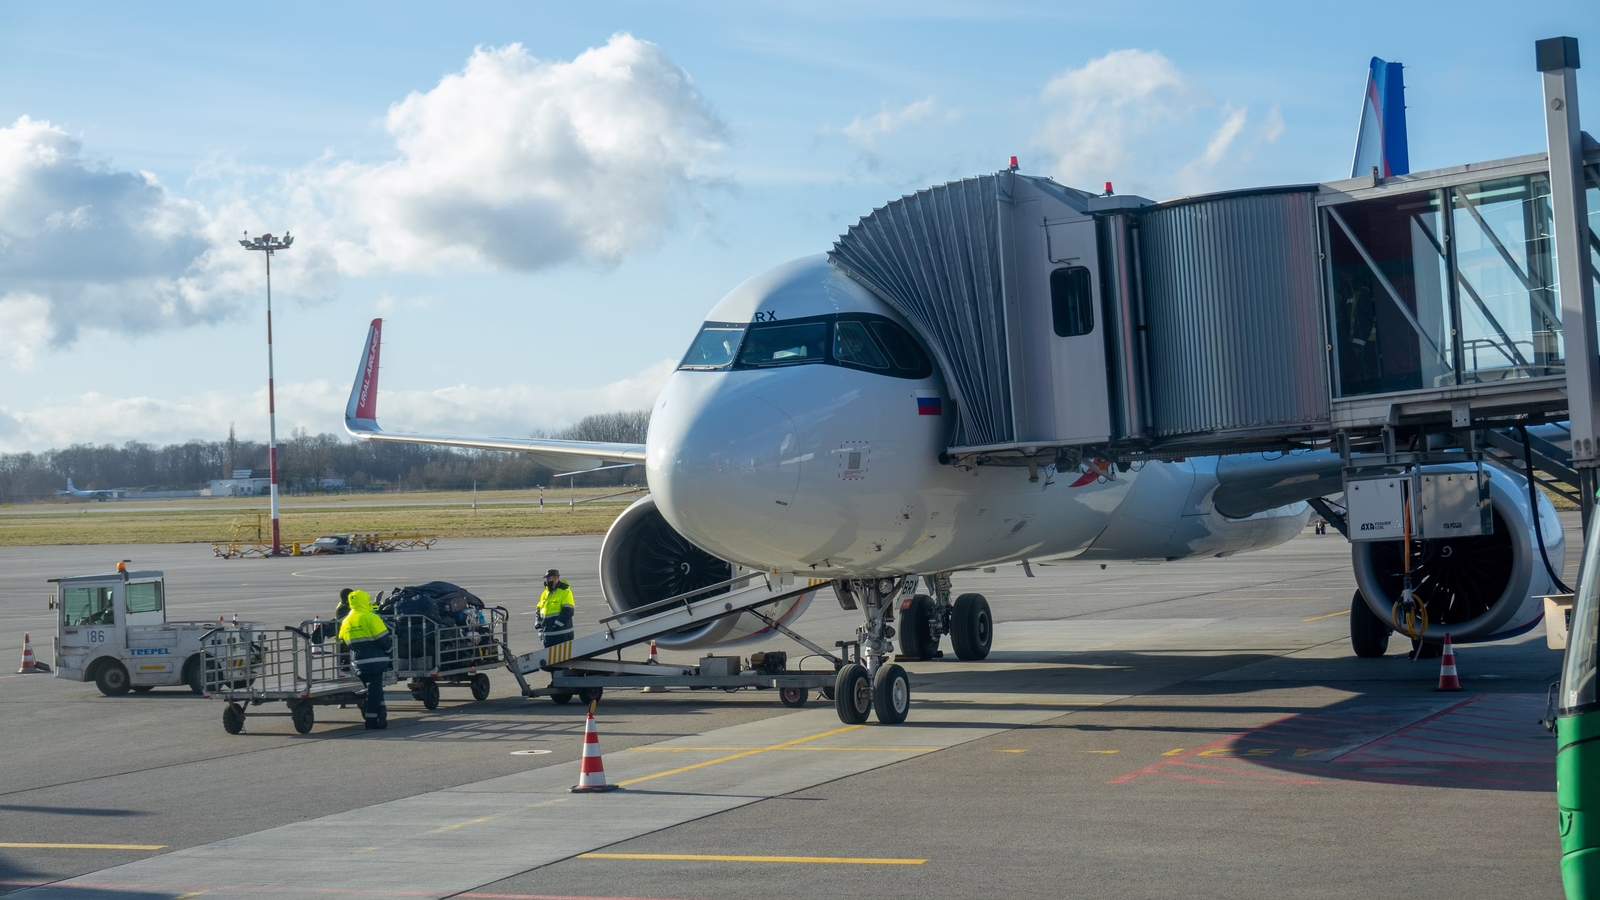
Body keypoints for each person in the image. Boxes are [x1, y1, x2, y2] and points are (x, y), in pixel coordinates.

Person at [338, 589, 393, 729]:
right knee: (374, 691)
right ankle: (371, 720)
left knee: (374, 689)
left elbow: (343, 639)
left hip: (357, 662)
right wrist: (388, 651)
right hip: (375, 660)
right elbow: (384, 640)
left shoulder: (346, 620)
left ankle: (382, 712)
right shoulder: (371, 617)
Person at [537, 569, 575, 647]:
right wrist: (538, 625)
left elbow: (568, 611)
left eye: (549, 578)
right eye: (546, 578)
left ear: (555, 579)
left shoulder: (565, 591)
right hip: (547, 637)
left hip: (562, 635)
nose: (547, 580)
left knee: (563, 658)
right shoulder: (545, 593)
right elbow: (538, 610)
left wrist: (556, 626)